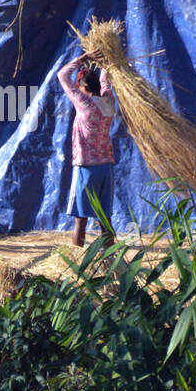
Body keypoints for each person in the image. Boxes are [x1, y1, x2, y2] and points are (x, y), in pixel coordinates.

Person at [58, 51, 117, 246]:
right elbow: (105, 81)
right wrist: (105, 64)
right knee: (105, 219)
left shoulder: (84, 103)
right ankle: (111, 262)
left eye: (79, 86)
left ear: (83, 87)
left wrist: (82, 59)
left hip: (86, 168)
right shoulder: (109, 102)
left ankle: (76, 265)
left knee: (80, 220)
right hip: (106, 168)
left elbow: (62, 75)